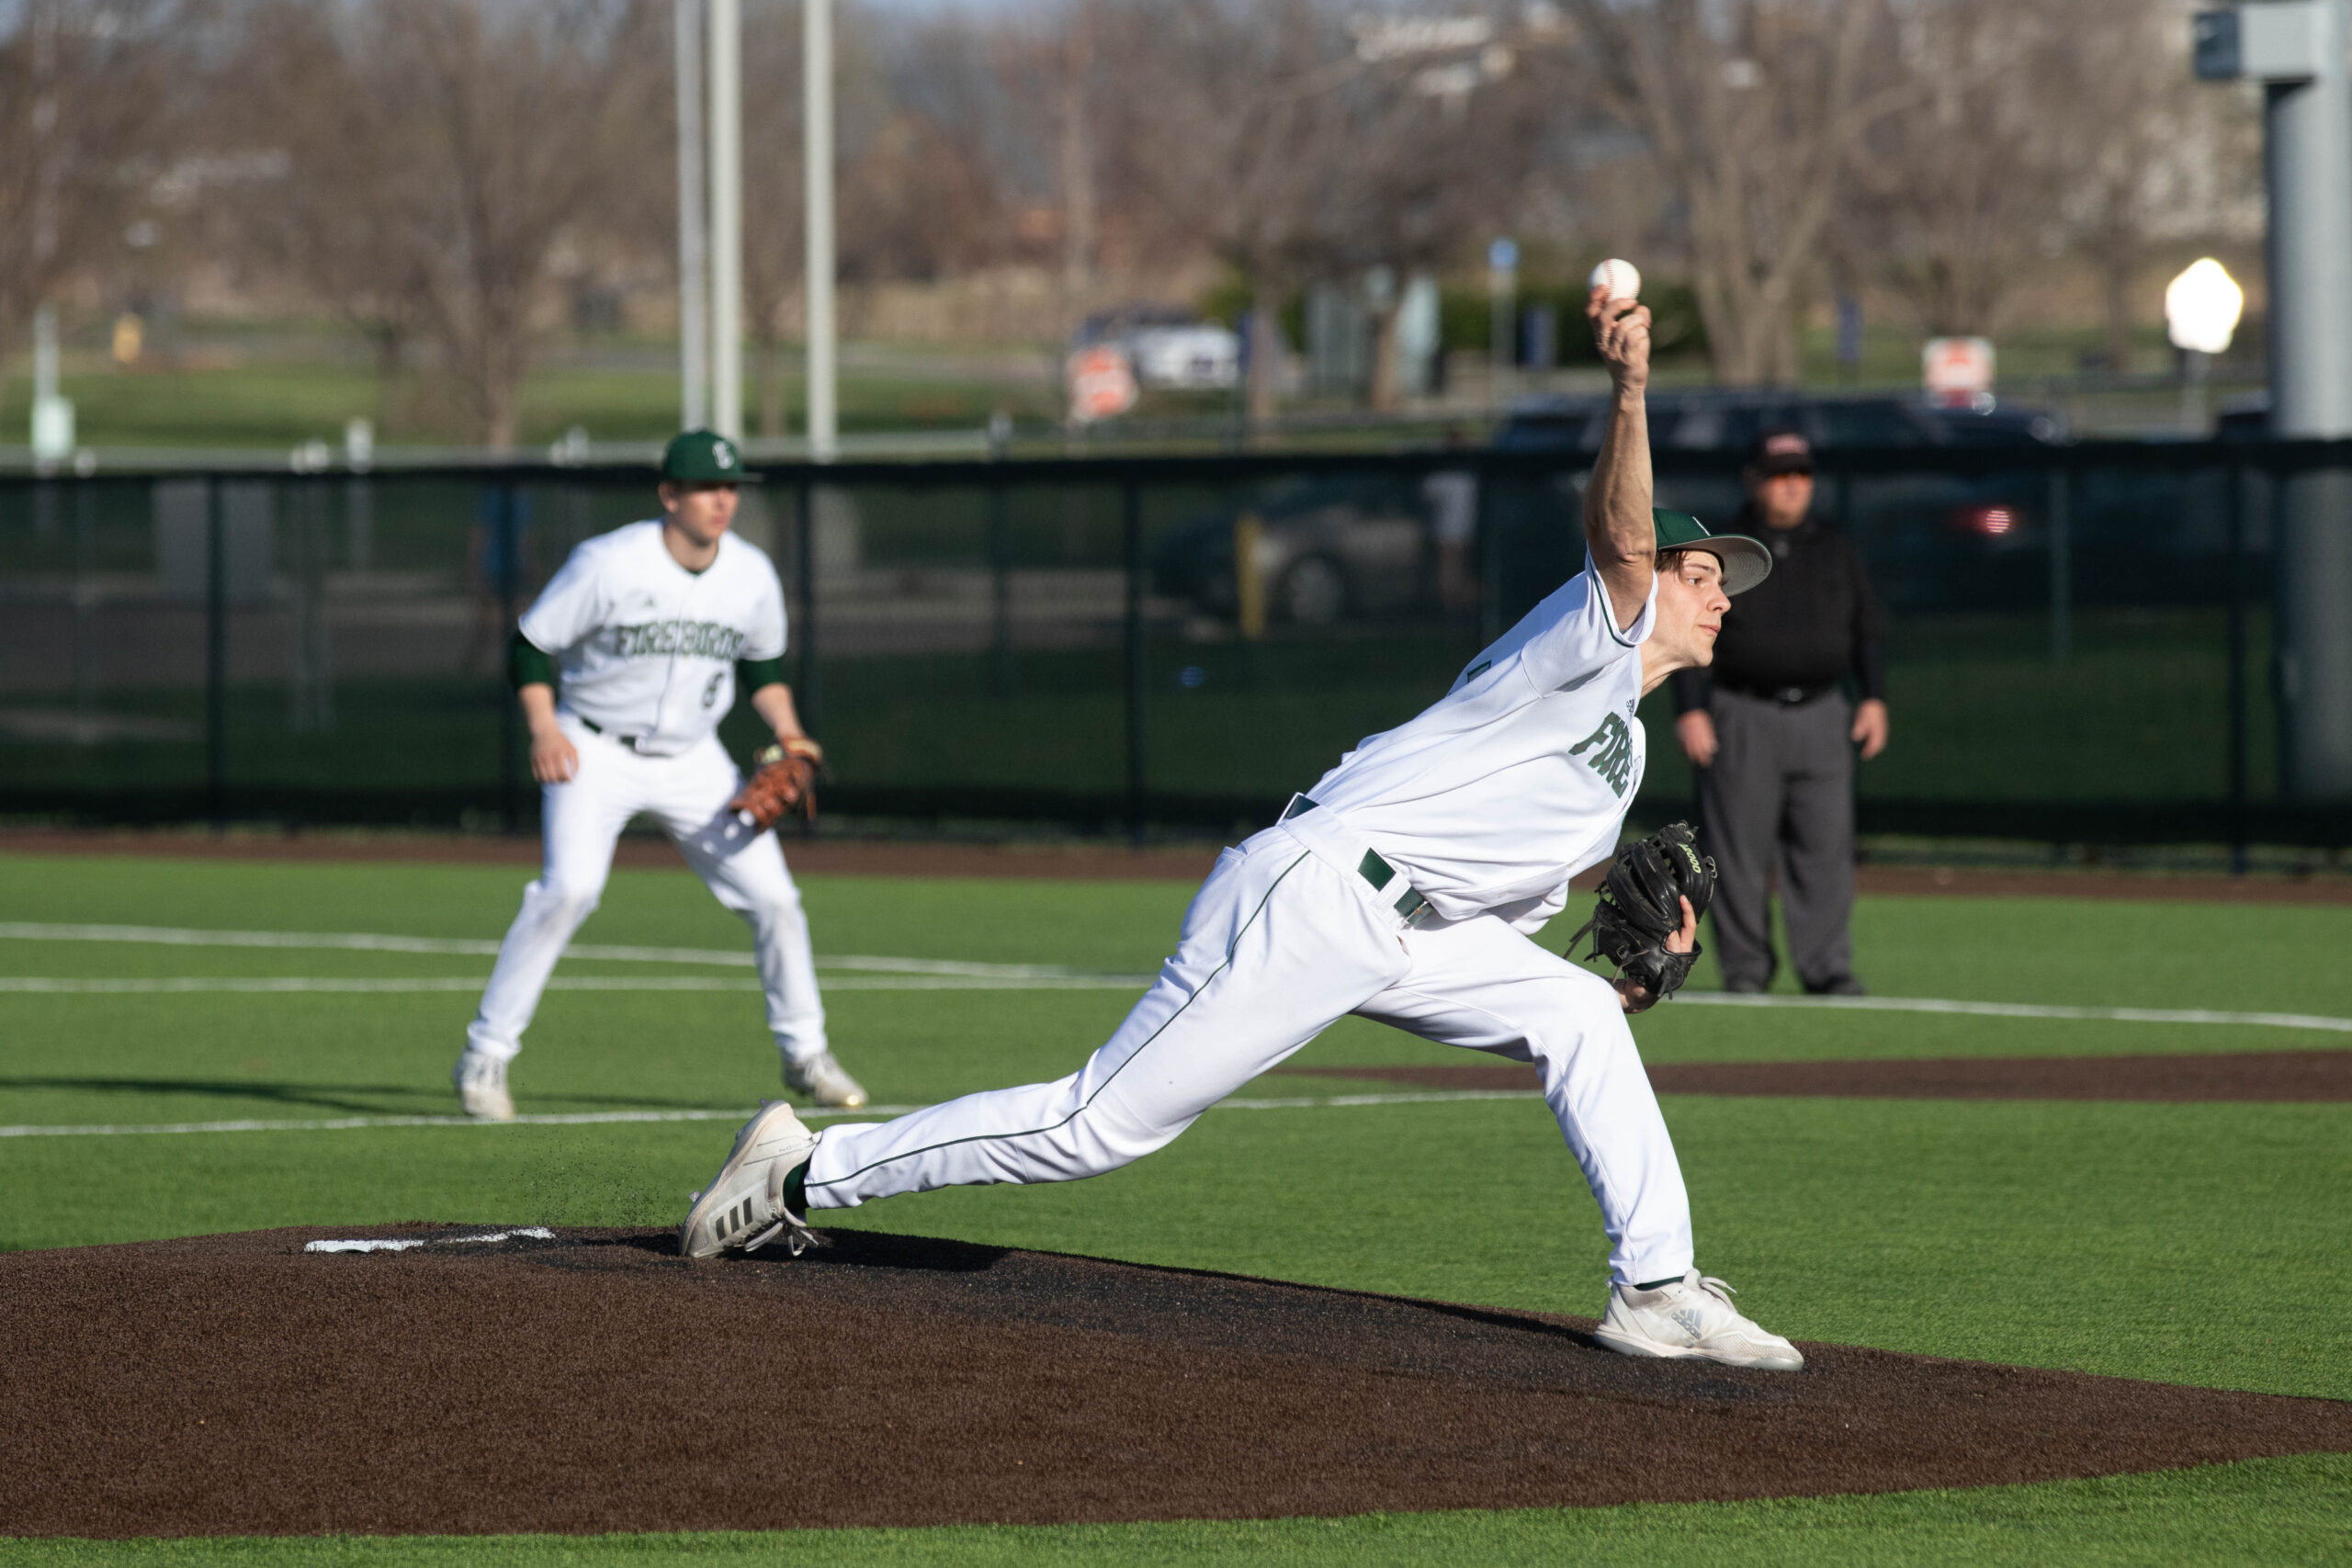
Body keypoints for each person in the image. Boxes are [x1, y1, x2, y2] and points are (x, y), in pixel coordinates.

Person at [674, 291, 1806, 1372]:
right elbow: (1616, 533)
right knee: (1096, 1127)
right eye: (1697, 573)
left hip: (1404, 927)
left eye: (1724, 581)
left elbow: (1523, 893)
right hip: (1316, 891)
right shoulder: (1585, 638)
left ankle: (1657, 1291)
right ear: (1641, 581)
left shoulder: (1625, 747)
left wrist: (1631, 970)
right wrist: (1630, 389)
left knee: (1575, 1018)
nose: (1718, 596)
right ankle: (803, 1173)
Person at [450, 430, 865, 1121]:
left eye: (731, 488)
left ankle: (806, 1054)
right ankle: (485, 1055)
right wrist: (544, 728)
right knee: (569, 889)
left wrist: (789, 731)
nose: (721, 500)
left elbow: (761, 669)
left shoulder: (751, 574)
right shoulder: (609, 563)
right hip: (595, 747)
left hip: (695, 760)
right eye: (706, 487)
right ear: (669, 494)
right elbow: (530, 643)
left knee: (776, 900)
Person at [1669, 429, 1888, 997]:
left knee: (1825, 850)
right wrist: (1691, 709)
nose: (1791, 486)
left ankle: (1826, 968)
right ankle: (1746, 972)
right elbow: (1688, 628)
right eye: (1779, 474)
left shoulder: (1835, 546)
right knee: (1737, 853)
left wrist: (1873, 697)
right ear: (1753, 479)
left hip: (1822, 712)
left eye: (1801, 475)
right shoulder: (1727, 549)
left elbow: (1867, 629)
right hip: (1742, 711)